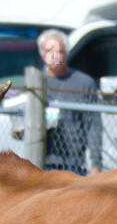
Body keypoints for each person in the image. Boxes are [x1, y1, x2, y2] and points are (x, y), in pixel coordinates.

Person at [37, 29, 102, 176]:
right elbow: (23, 124)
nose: (54, 56)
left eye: (59, 51)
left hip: (74, 164)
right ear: (42, 54)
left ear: (66, 53)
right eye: (49, 51)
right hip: (43, 162)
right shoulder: (35, 83)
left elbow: (93, 126)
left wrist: (95, 164)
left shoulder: (84, 83)